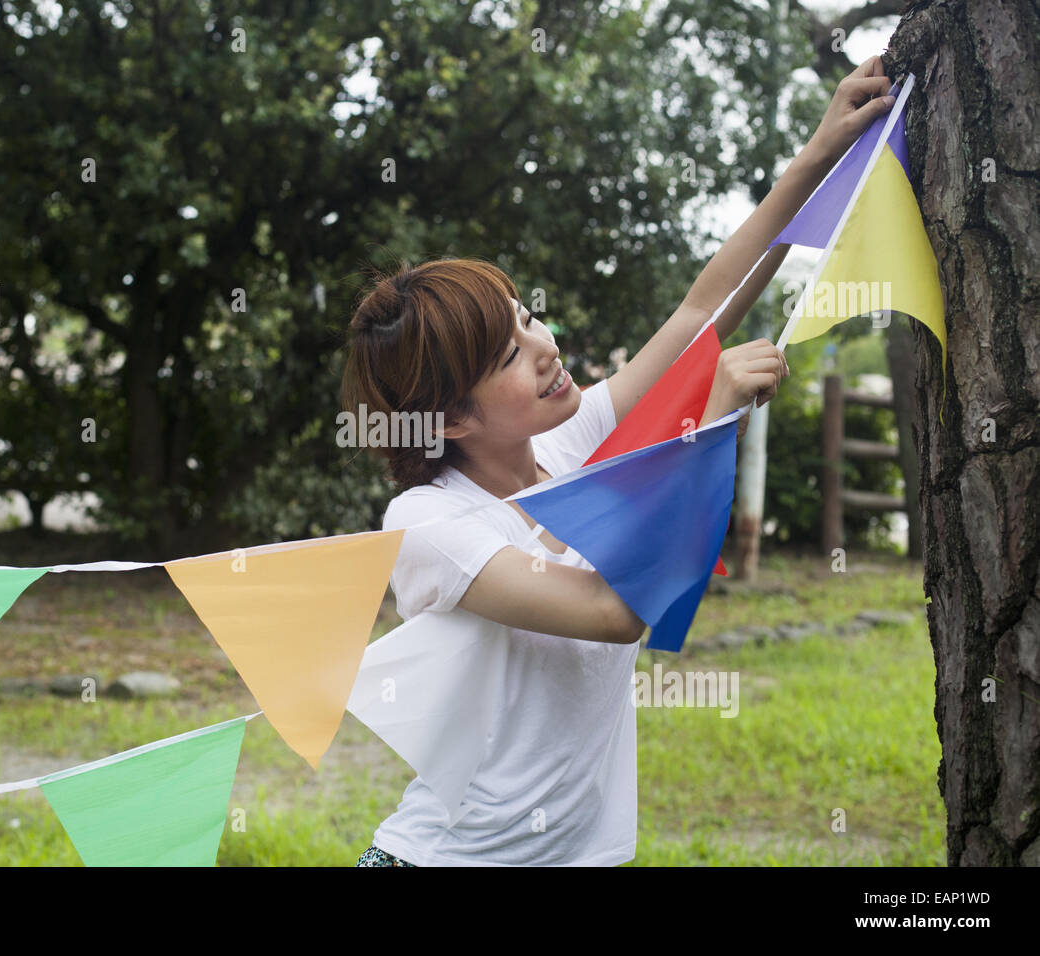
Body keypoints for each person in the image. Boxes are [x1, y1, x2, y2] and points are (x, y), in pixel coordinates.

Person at [341, 57, 895, 866]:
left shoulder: (570, 447)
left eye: (529, 318)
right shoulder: (428, 523)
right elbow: (612, 610)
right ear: (453, 416)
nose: (545, 348)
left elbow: (703, 310)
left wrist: (822, 154)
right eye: (507, 354)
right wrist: (703, 426)